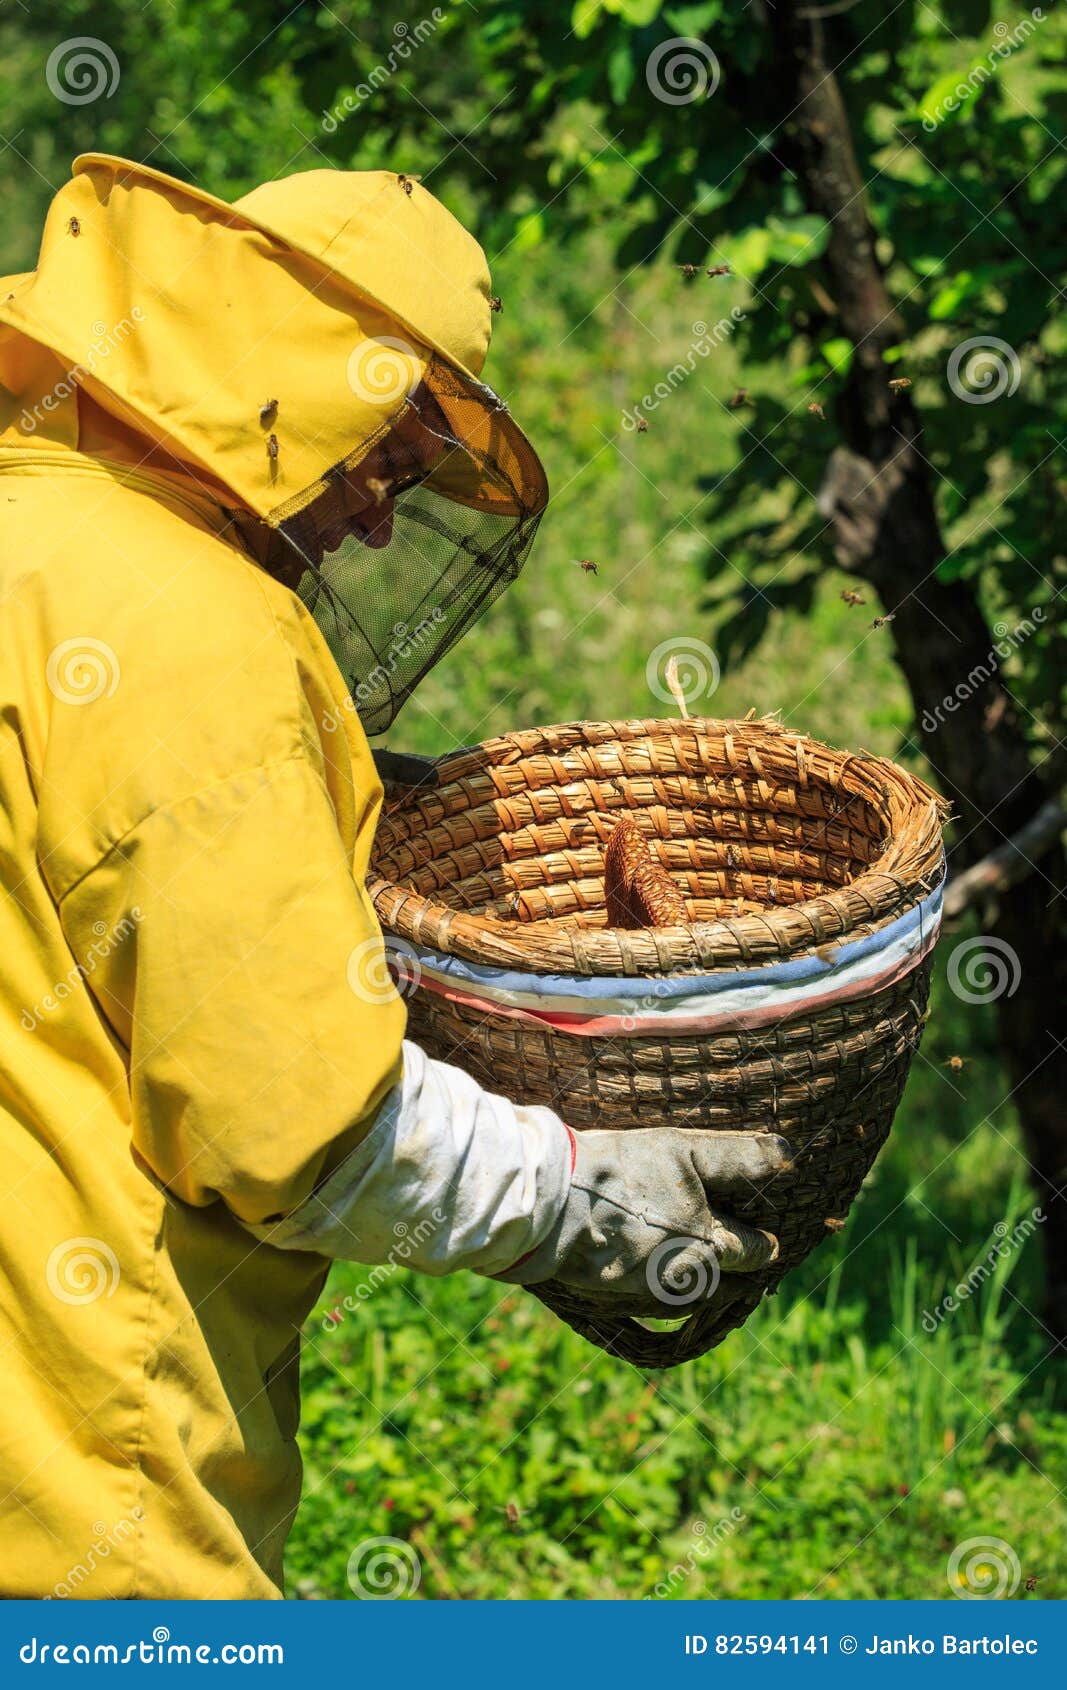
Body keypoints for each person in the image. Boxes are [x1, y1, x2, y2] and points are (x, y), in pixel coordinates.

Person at [0, 156, 788, 1599]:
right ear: (293, 370)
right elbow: (301, 1131)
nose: (373, 522)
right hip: (78, 1507)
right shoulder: (192, 638)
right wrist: (581, 1196)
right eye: (384, 458)